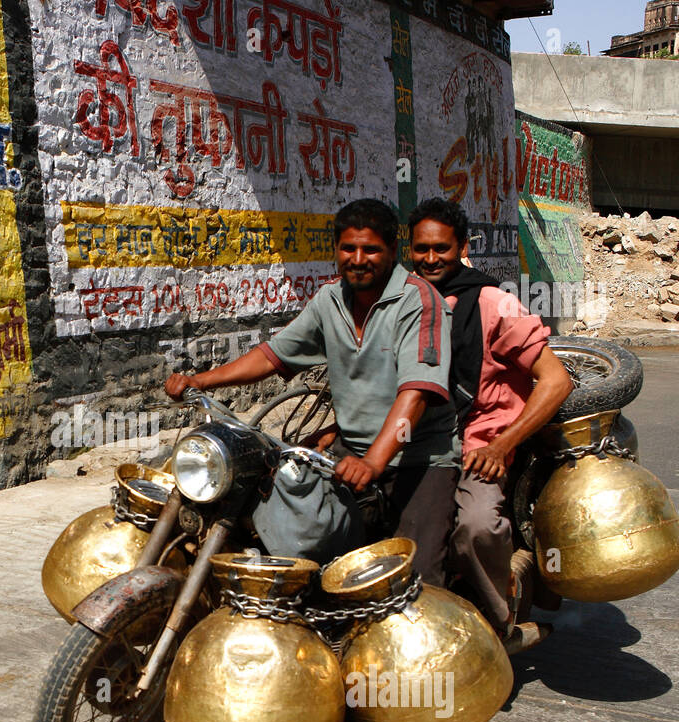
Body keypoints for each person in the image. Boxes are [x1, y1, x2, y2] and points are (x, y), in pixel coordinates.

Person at [165, 198, 458, 586]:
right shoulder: (330, 300)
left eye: (371, 249)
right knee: (282, 525)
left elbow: (416, 392)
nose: (358, 258)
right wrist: (201, 380)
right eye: (348, 248)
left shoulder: (419, 301)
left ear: (392, 251)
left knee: (414, 580)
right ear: (336, 251)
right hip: (348, 451)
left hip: (419, 458)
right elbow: (271, 356)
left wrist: (373, 461)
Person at [407, 197, 573, 641]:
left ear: (461, 247)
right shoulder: (401, 303)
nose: (430, 259)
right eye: (421, 248)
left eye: (441, 248)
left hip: (478, 445)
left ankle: (499, 623)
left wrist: (502, 445)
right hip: (416, 442)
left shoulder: (494, 304)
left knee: (475, 526)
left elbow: (556, 382)